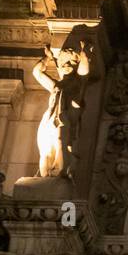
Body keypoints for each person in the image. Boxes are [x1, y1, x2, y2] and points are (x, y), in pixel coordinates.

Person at [32, 41, 92, 178]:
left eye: (70, 63)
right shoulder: (55, 86)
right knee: (45, 151)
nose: (66, 66)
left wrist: (83, 54)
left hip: (65, 119)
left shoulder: (79, 83)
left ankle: (60, 175)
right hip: (49, 120)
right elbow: (36, 72)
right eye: (63, 63)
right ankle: (43, 178)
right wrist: (47, 58)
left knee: (60, 144)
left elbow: (84, 70)